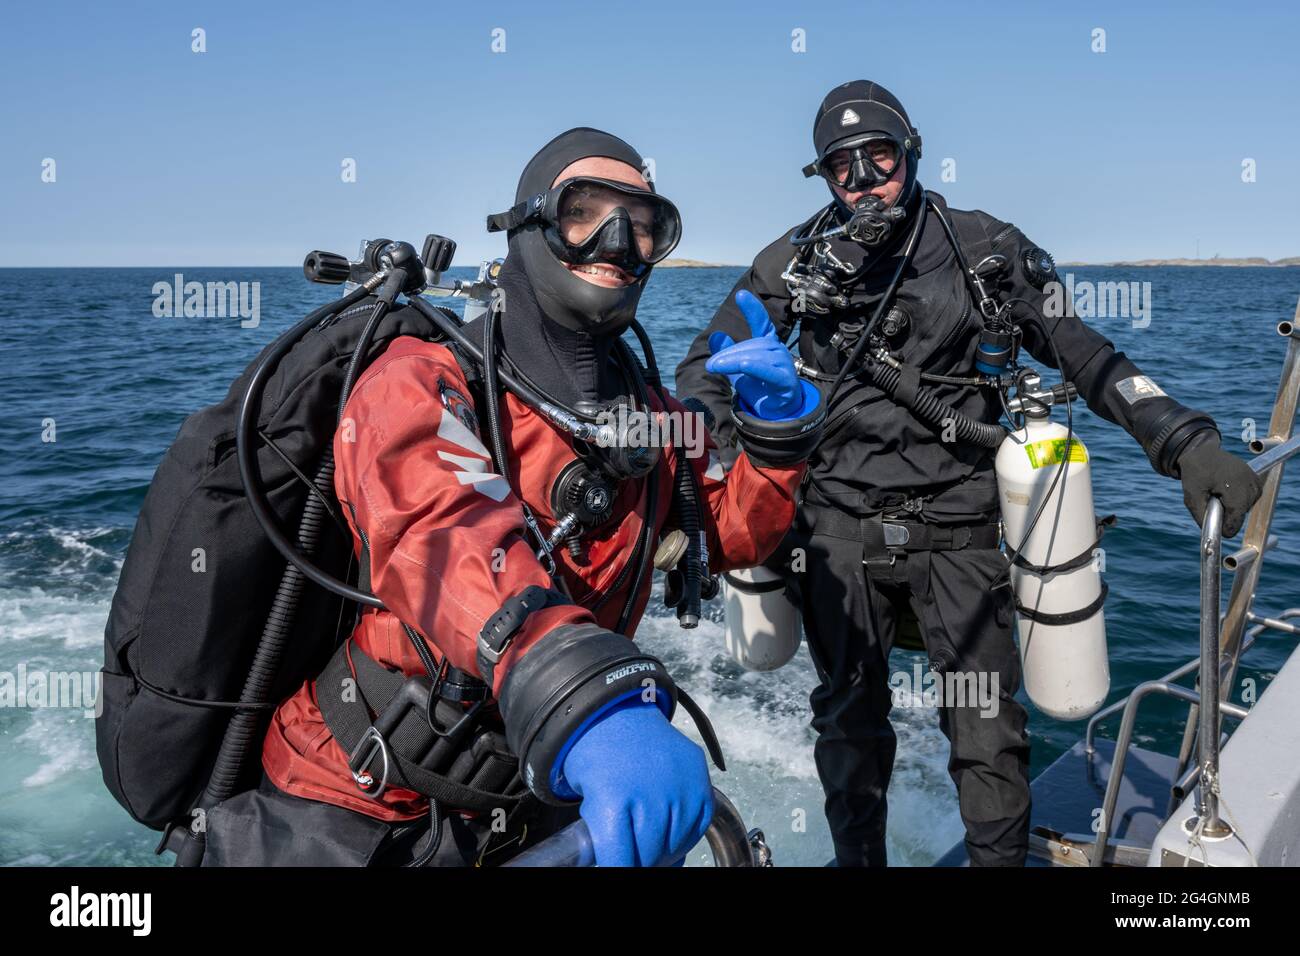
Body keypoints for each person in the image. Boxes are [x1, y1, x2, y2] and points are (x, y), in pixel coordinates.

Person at [199, 127, 824, 867]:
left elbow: (722, 533)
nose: (618, 242)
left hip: (539, 790)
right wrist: (587, 698)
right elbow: (440, 531)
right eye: (584, 212)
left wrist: (775, 443)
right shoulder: (422, 379)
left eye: (646, 225)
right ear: (528, 226)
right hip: (357, 802)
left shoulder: (647, 408)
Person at [675, 81, 1262, 867]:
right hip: (835, 534)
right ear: (823, 177)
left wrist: (1184, 441)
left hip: (959, 530)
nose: (863, 180)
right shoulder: (788, 265)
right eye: (841, 167)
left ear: (911, 151)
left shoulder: (985, 250)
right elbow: (699, 370)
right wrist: (738, 435)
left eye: (878, 157)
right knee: (849, 729)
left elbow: (1088, 356)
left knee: (986, 737)